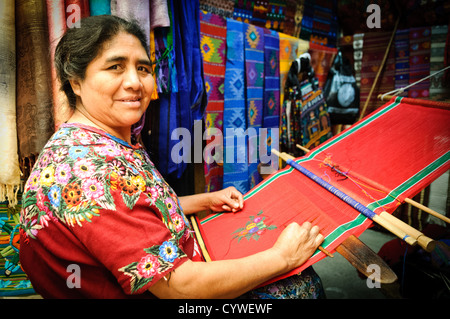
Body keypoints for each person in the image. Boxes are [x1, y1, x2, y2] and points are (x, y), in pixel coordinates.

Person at [19, 15, 325, 299]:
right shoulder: (90, 173)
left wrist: (202, 201)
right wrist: (282, 257)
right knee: (299, 283)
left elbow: (133, 208)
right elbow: (178, 287)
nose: (135, 83)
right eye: (115, 67)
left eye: (143, 68)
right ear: (76, 82)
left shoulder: (89, 142)